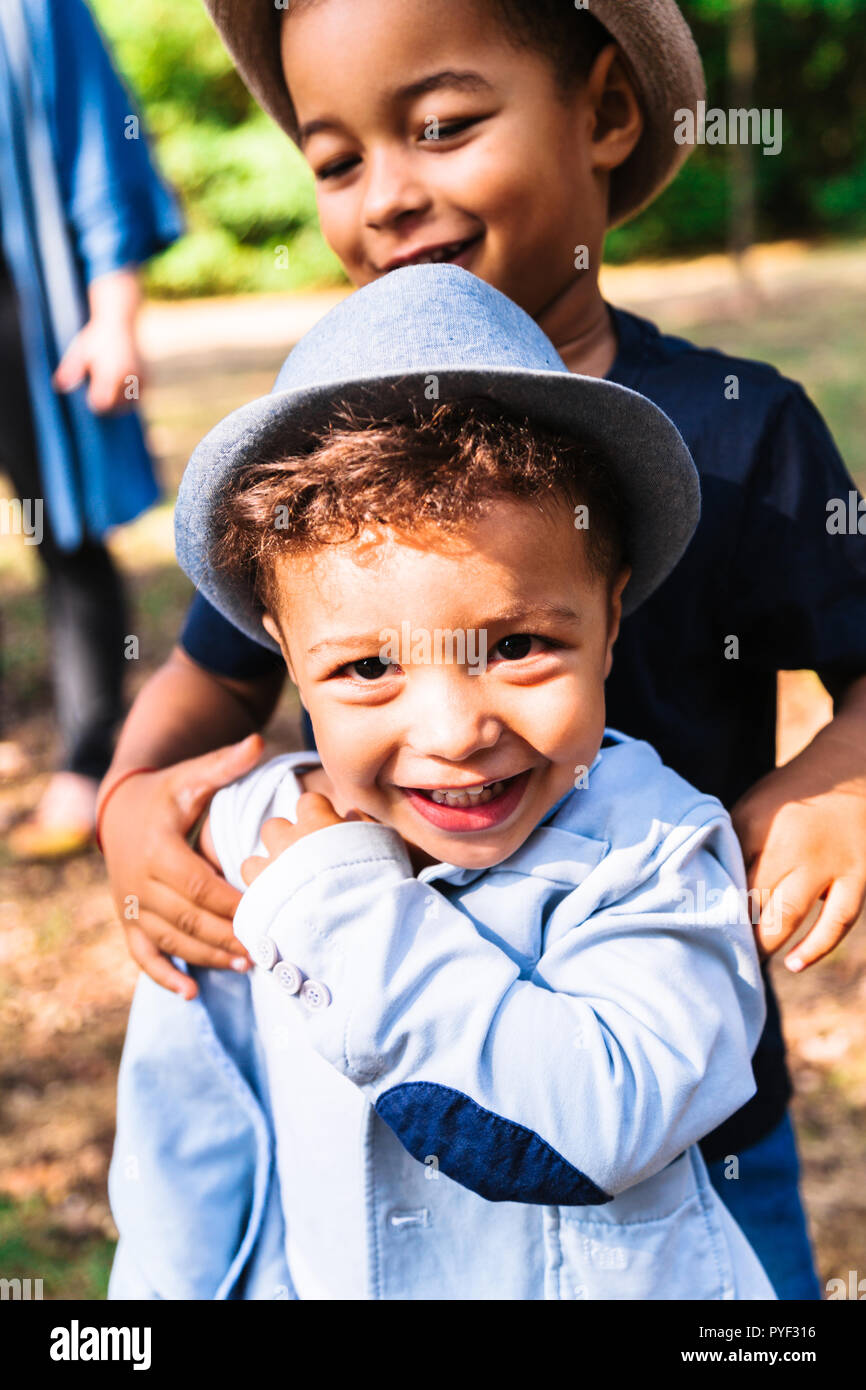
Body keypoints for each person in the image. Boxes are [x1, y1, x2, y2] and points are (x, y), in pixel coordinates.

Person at [98, 0, 866, 1298]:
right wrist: (130, 808)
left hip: (670, 1079)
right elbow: (209, 673)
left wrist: (836, 781)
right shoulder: (324, 474)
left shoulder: (741, 433)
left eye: (441, 125)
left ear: (606, 113)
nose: (387, 195)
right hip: (389, 1074)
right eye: (336, 158)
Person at [109, 264, 775, 1301]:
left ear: (609, 616)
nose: (455, 732)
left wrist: (345, 912)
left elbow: (590, 1132)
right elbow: (190, 1152)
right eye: (368, 667)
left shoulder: (660, 854)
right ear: (286, 656)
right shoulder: (245, 840)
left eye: (514, 645)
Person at [0, 0, 182, 856]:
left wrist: (115, 316)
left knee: (65, 537)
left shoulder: (36, 10)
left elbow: (99, 144)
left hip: (28, 318)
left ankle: (86, 758)